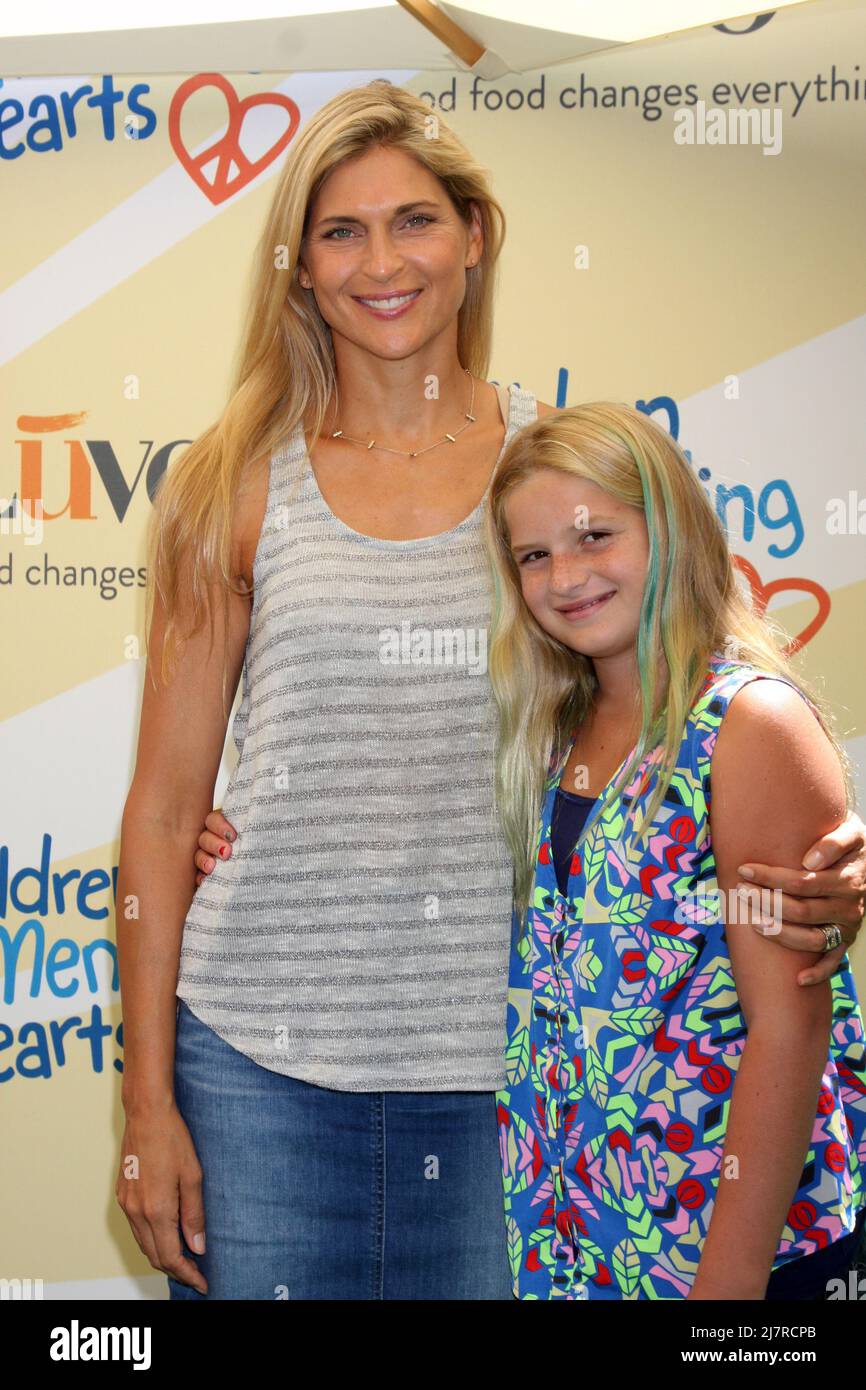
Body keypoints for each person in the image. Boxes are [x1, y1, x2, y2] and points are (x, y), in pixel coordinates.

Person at [120, 79, 866, 1303]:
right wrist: (145, 1103)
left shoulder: (548, 474)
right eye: (339, 231)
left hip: (510, 1072)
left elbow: (697, 697)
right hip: (253, 1059)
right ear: (298, 268)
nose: (381, 263)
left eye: (414, 220)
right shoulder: (230, 488)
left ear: (475, 236)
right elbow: (159, 814)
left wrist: (820, 850)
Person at [481, 401, 866, 1300]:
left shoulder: (746, 724)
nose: (564, 575)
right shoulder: (549, 733)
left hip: (736, 1257)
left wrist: (723, 1302)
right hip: (574, 1248)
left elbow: (788, 1029)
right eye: (533, 555)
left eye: (594, 535)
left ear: (673, 528)